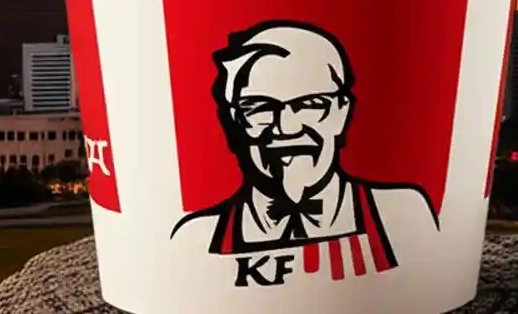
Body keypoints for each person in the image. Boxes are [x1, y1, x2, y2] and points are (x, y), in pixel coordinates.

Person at [172, 21, 438, 275]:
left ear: (342, 112)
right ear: (233, 123)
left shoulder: (400, 213)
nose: (287, 128)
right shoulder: (196, 237)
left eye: (311, 104)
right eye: (259, 107)